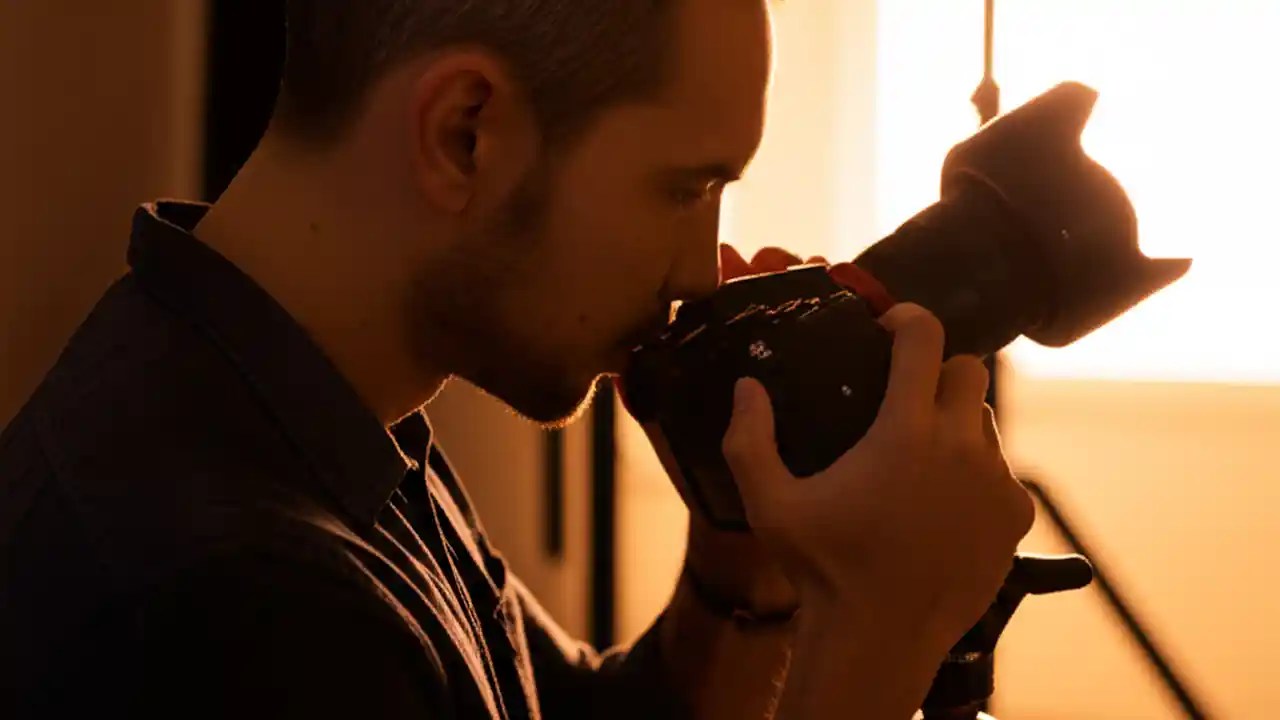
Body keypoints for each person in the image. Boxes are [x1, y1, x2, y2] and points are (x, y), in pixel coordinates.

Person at [0, 0, 1034, 717]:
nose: (698, 272)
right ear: (465, 133)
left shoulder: (301, 405)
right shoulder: (239, 599)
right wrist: (871, 636)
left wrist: (743, 560)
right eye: (682, 190)